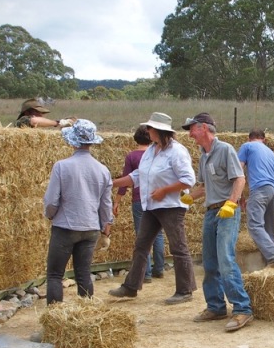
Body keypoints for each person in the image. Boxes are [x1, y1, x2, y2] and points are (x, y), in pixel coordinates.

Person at [108, 112, 197, 304]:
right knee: (141, 245)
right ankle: (131, 287)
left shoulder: (177, 151)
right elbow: (137, 176)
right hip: (152, 205)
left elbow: (188, 180)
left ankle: (185, 290)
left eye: (149, 128)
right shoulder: (151, 150)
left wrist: (164, 190)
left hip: (171, 206)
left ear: (158, 130)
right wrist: (111, 183)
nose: (147, 130)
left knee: (178, 247)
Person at [182, 112, 254, 332]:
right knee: (210, 262)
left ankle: (243, 309)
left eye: (192, 129)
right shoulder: (204, 155)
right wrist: (188, 197)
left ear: (204, 128)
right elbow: (204, 186)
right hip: (211, 212)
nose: (190, 134)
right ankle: (216, 306)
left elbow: (239, 179)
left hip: (226, 211)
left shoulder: (225, 150)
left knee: (225, 259)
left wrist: (231, 204)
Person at [42, 119, 113, 304]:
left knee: (55, 275)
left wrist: (50, 215)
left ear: (73, 141)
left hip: (65, 226)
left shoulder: (62, 166)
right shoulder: (103, 170)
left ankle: (55, 320)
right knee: (83, 273)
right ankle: (86, 315)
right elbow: (106, 204)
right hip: (90, 228)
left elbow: (51, 201)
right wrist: (106, 226)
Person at [115, 125, 166, 282]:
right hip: (157, 199)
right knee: (158, 234)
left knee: (142, 236)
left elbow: (126, 181)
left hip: (139, 200)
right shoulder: (157, 154)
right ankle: (159, 268)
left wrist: (116, 201)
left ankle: (146, 273)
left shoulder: (132, 156)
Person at [237, 129, 274, 267]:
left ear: (249, 138)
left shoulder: (247, 146)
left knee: (254, 225)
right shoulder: (271, 153)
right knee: (269, 228)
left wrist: (239, 195)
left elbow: (238, 170)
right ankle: (271, 263)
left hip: (260, 190)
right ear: (264, 139)